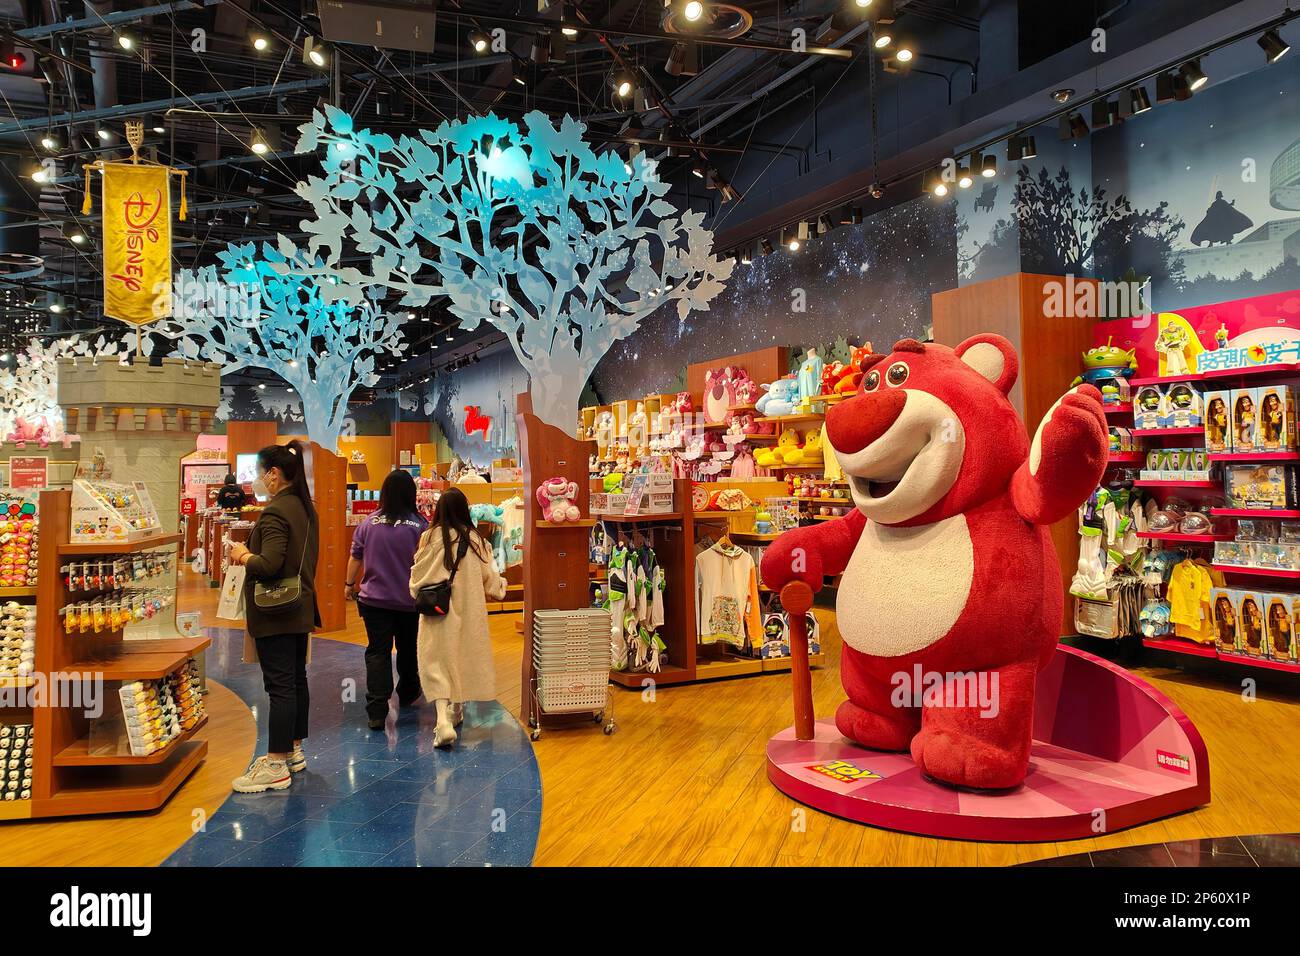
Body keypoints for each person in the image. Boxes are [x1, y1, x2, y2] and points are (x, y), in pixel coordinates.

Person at [227, 441, 320, 793]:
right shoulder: (305, 508)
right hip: (299, 607)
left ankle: (276, 762)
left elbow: (270, 565)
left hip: (276, 611)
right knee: (296, 680)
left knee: (280, 685)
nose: (256, 479)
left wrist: (242, 554)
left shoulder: (276, 513)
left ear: (274, 474)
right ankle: (294, 750)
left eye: (259, 472)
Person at [408, 487, 506, 748]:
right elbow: (492, 583)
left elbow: (417, 579)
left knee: (436, 663)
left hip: (438, 612)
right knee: (463, 657)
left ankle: (443, 721)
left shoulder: (429, 538)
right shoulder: (477, 540)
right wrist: (501, 587)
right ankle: (457, 709)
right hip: (470, 614)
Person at [346, 469, 428, 730]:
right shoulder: (420, 526)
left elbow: (355, 557)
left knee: (377, 652)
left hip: (374, 601)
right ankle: (408, 692)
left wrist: (349, 585)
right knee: (407, 647)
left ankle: (377, 710)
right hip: (409, 602)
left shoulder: (368, 524)